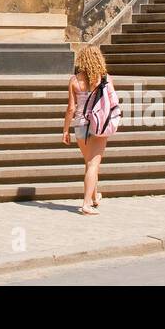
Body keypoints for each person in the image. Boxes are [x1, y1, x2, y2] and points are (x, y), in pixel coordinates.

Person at [62, 44, 111, 215]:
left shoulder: (74, 80)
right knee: (93, 164)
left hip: (80, 125)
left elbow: (70, 108)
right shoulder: (104, 79)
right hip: (98, 124)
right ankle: (86, 204)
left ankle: (95, 196)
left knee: (89, 163)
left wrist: (65, 130)